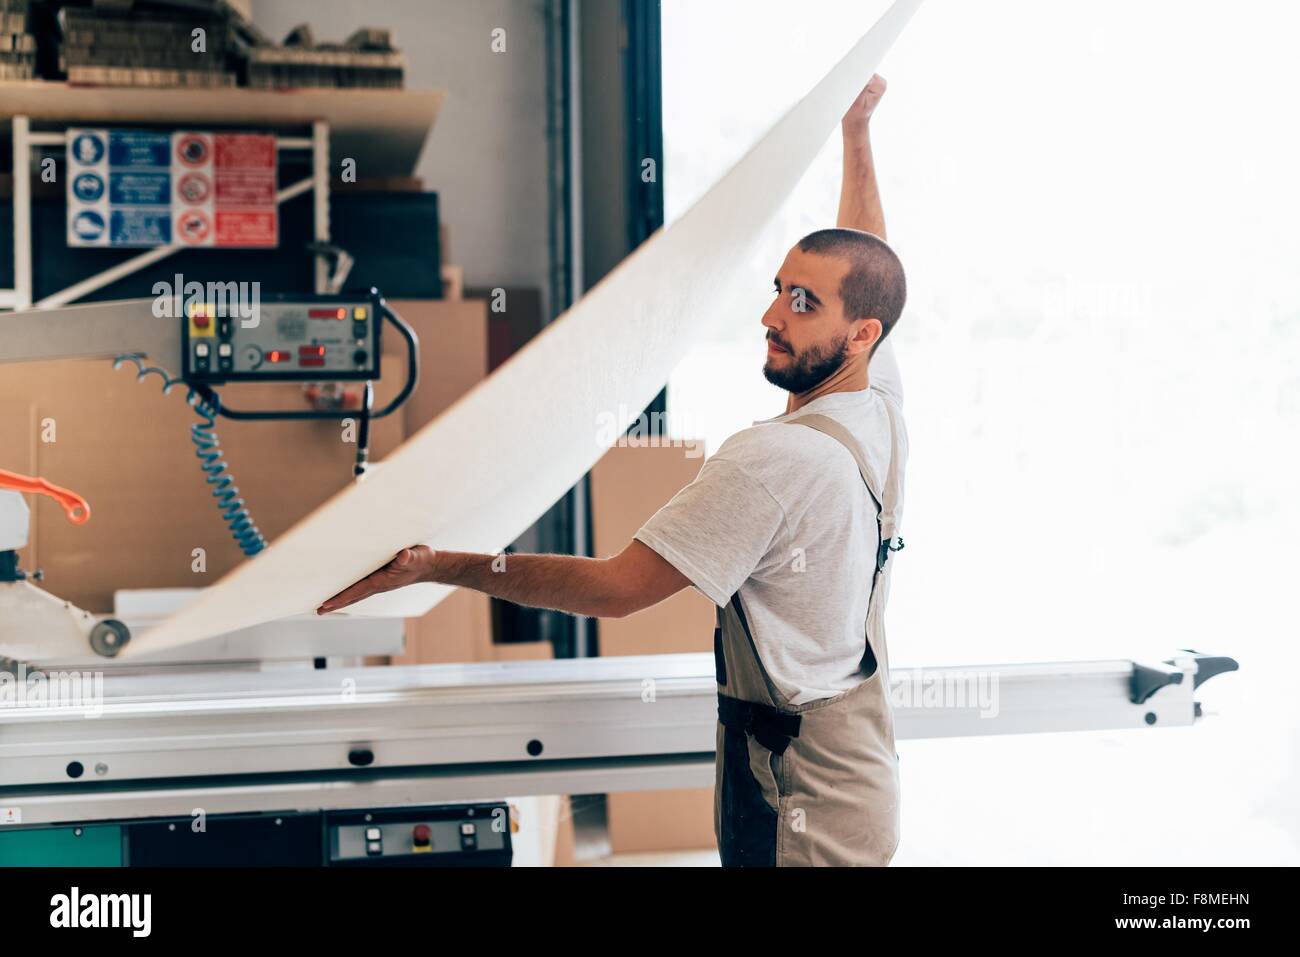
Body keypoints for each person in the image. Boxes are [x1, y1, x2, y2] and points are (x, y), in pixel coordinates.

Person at [320, 74, 908, 867]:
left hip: (794, 802)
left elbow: (613, 590)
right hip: (863, 782)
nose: (771, 316)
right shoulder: (878, 409)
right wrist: (856, 133)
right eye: (778, 290)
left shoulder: (773, 458)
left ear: (861, 333)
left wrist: (440, 565)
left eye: (803, 303)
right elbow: (870, 261)